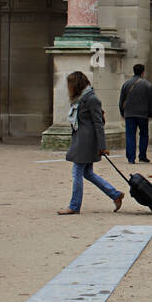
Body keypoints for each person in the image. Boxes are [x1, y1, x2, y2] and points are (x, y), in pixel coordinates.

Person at [60, 71, 123, 215]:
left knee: (77, 173)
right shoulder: (83, 98)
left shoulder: (91, 99)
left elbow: (98, 123)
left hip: (86, 142)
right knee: (88, 173)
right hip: (82, 139)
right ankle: (115, 194)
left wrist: (102, 146)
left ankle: (74, 206)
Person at [119, 63, 152, 163]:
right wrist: (150, 113)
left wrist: (122, 112)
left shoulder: (126, 84)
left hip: (129, 113)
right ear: (143, 72)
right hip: (143, 114)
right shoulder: (147, 84)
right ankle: (142, 155)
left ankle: (131, 157)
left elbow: (122, 100)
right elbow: (151, 100)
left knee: (130, 135)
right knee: (143, 134)